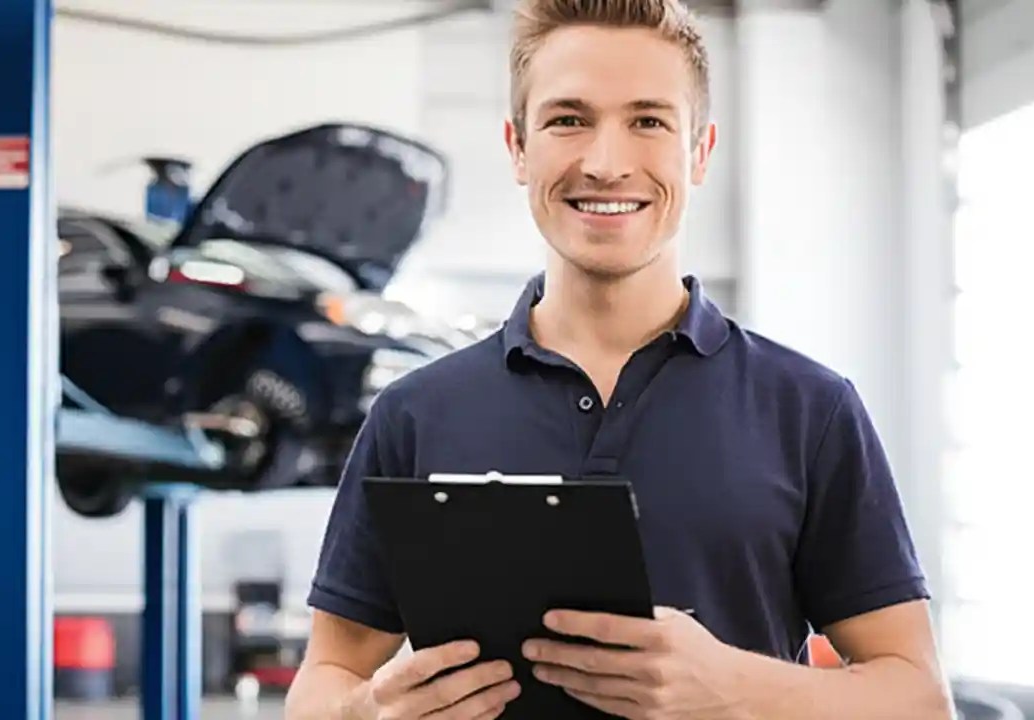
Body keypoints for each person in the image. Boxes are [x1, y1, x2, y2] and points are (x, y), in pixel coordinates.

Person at [285, 0, 955, 718]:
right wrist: (368, 714)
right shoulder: (414, 412)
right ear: (518, 147)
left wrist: (733, 688)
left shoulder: (809, 409)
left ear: (699, 151)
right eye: (568, 120)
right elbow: (324, 677)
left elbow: (919, 699)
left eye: (649, 121)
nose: (605, 164)